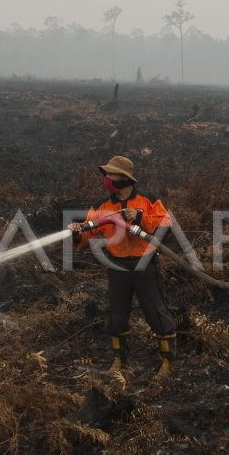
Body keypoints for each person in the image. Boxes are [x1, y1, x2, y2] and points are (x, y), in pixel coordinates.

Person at [68, 155, 177, 378]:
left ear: (124, 179)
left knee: (156, 312)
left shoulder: (148, 200)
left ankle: (167, 361)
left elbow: (166, 225)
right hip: (117, 267)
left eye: (111, 174)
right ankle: (119, 359)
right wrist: (76, 232)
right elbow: (85, 238)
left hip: (144, 265)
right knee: (116, 315)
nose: (107, 179)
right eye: (106, 174)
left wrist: (139, 217)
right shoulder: (102, 206)